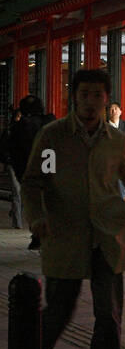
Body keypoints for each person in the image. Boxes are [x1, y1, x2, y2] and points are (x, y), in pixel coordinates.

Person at [20, 70, 125, 349]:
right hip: (65, 235)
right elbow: (35, 182)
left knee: (108, 316)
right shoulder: (54, 137)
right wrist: (37, 218)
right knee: (58, 310)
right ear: (73, 98)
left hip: (107, 236)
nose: (90, 102)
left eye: (97, 95)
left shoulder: (114, 139)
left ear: (107, 100)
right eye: (84, 95)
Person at [7, 95, 54, 248]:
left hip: (30, 173)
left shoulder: (19, 128)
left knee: (33, 204)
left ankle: (37, 232)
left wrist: (21, 175)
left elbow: (14, 154)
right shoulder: (51, 123)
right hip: (51, 170)